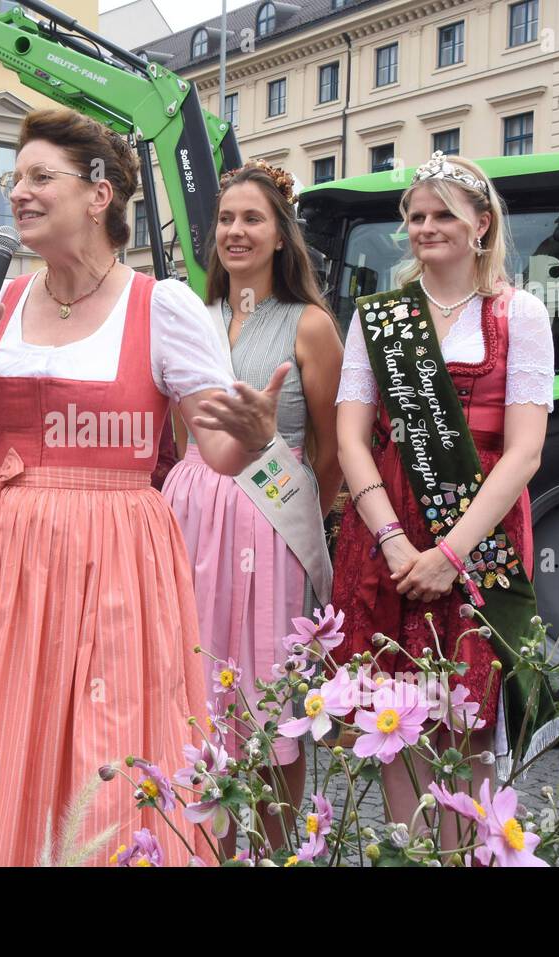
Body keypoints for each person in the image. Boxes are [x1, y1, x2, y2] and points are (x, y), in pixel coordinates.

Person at [0, 109, 288, 867]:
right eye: (15, 179)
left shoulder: (161, 305)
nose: (19, 192)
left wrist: (257, 434)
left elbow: (213, 450)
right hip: (4, 557)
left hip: (115, 556)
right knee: (7, 734)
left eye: (41, 177)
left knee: (105, 747)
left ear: (99, 193)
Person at [330, 152, 557, 828]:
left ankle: (465, 848)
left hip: (477, 532)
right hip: (388, 535)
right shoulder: (381, 319)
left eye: (443, 215)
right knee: (393, 719)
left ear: (481, 224)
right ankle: (410, 844)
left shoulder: (520, 315)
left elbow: (525, 451)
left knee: (467, 721)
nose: (426, 227)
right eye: (416, 216)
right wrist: (398, 543)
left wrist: (449, 553)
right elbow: (350, 439)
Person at [161, 161, 343, 845]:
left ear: (279, 235)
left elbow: (327, 448)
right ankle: (205, 849)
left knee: (270, 703)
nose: (236, 232)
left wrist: (300, 527)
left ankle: (274, 852)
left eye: (252, 219)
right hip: (191, 517)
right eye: (227, 221)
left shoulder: (310, 325)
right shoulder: (191, 315)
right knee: (198, 689)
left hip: (274, 524)